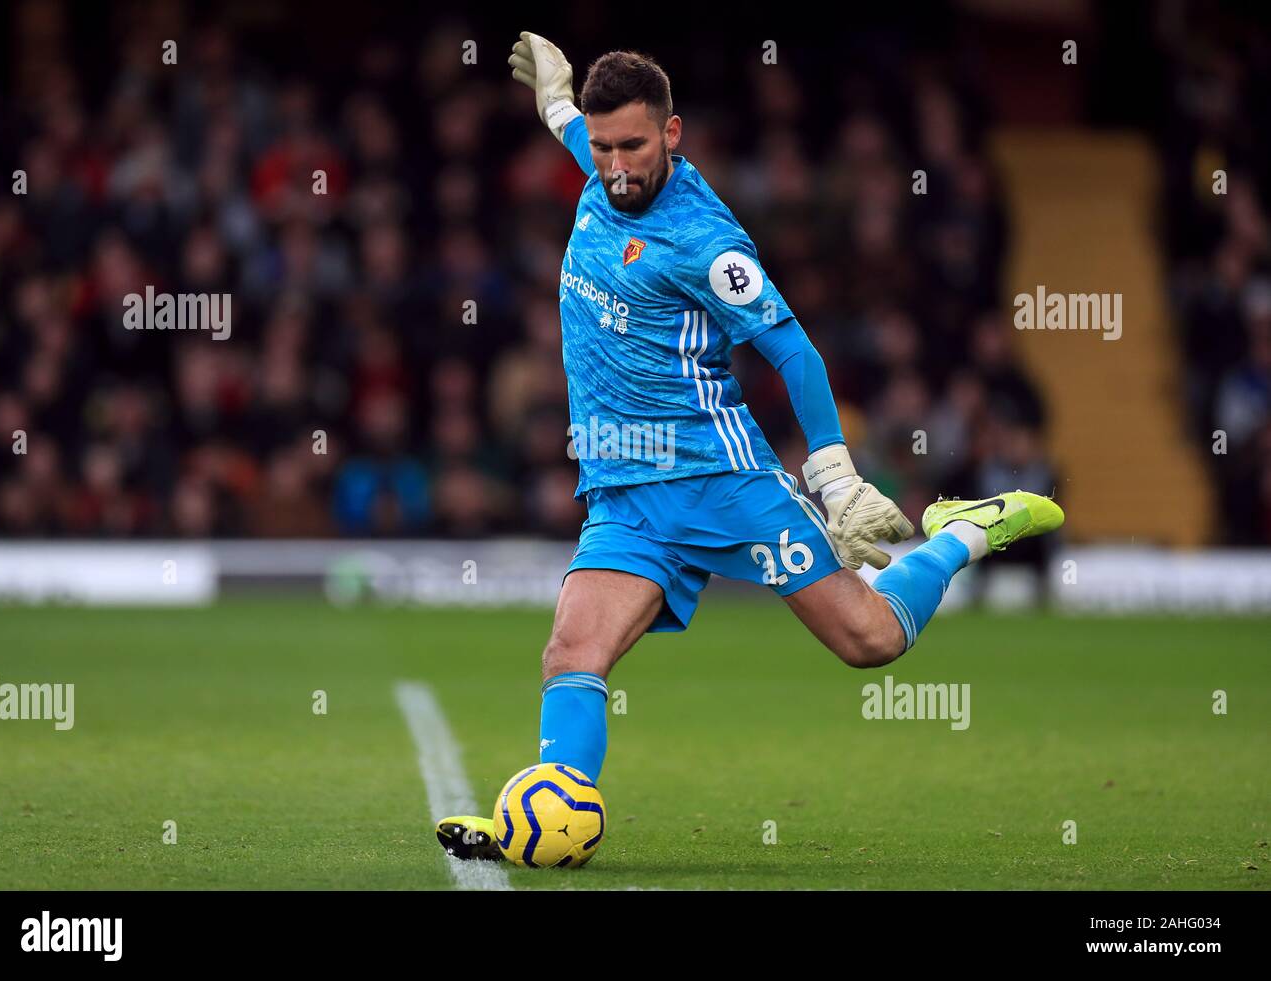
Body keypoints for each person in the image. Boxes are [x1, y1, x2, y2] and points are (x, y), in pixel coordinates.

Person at [436, 34, 1063, 860]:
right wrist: (556, 104)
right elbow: (579, 135)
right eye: (601, 146)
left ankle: (962, 530)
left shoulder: (706, 242)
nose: (616, 166)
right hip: (625, 491)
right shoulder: (600, 167)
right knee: (571, 650)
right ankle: (545, 821)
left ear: (673, 135)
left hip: (721, 477)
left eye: (632, 145)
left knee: (868, 640)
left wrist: (834, 472)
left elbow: (793, 349)